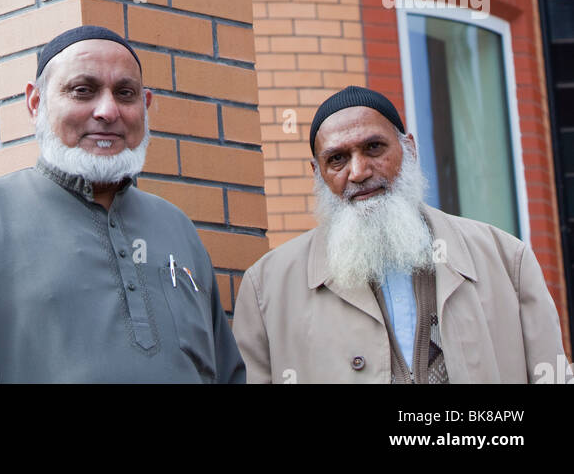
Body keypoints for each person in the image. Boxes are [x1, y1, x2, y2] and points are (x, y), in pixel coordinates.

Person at [0, 24, 245, 384]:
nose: (108, 110)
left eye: (125, 93)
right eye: (83, 91)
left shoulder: (177, 228)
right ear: (36, 103)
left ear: (144, 106)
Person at [232, 84, 571, 384]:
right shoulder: (267, 288)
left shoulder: (505, 260)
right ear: (317, 172)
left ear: (408, 148)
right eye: (337, 159)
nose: (359, 172)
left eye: (374, 148)